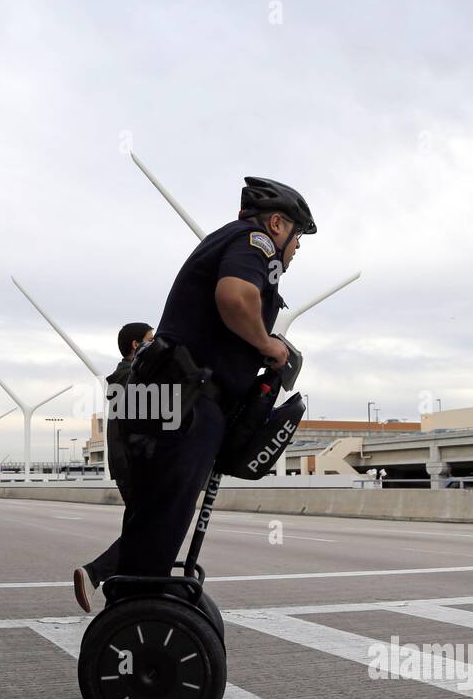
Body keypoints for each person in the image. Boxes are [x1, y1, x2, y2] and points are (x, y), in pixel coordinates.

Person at [74, 177, 313, 604]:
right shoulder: (254, 241)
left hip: (169, 394)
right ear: (278, 223)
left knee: (161, 509)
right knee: (168, 510)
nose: (296, 248)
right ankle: (135, 622)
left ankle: (125, 604)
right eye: (297, 238)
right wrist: (267, 344)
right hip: (191, 398)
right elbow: (236, 297)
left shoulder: (229, 241)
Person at [72, 322, 154, 611]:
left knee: (143, 529)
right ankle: (95, 574)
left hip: (128, 464)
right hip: (135, 466)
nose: (155, 344)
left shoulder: (127, 376)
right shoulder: (131, 375)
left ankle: (121, 596)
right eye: (150, 340)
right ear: (136, 345)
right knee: (150, 529)